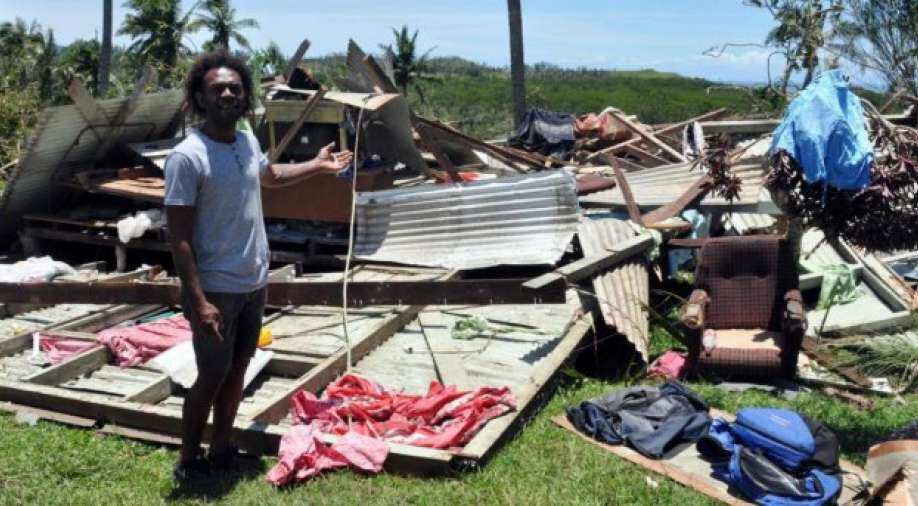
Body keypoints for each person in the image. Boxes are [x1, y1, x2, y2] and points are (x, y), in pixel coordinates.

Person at [164, 50, 352, 482]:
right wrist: (199, 300)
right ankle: (189, 460)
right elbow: (179, 238)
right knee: (211, 374)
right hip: (215, 289)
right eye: (217, 89)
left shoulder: (246, 140)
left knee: (237, 370)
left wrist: (319, 165)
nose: (228, 94)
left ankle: (222, 448)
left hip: (253, 282)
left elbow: (272, 177)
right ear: (199, 96)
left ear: (244, 94)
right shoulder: (188, 157)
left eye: (234, 87)